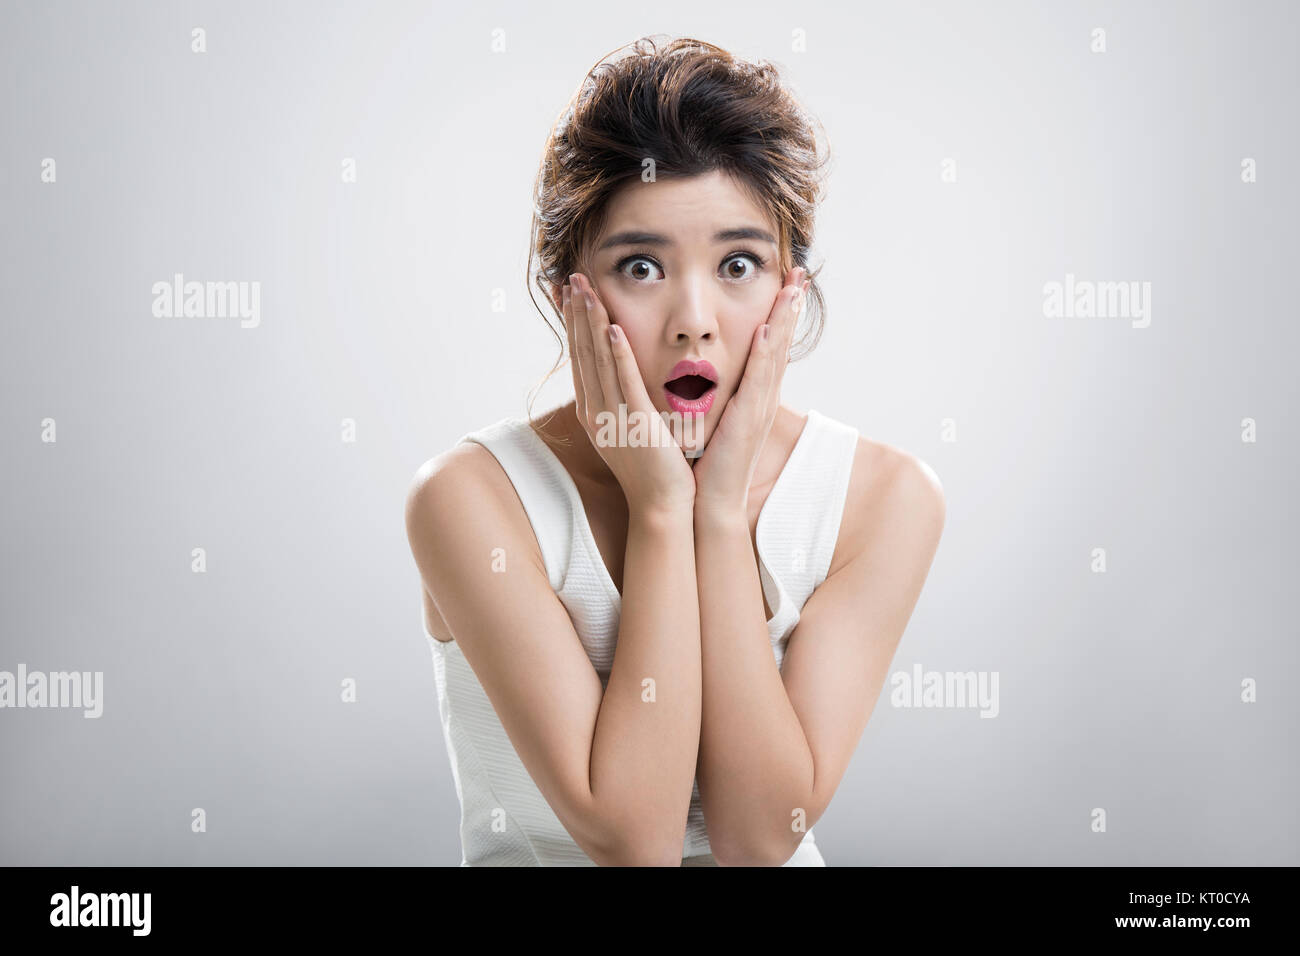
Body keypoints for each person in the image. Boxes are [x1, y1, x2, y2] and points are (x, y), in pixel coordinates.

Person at [405, 35, 945, 866]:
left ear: (788, 289)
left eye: (738, 263)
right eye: (642, 267)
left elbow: (761, 841)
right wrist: (663, 508)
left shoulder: (885, 497)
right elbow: (635, 841)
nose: (694, 319)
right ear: (569, 294)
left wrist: (719, 518)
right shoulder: (471, 500)